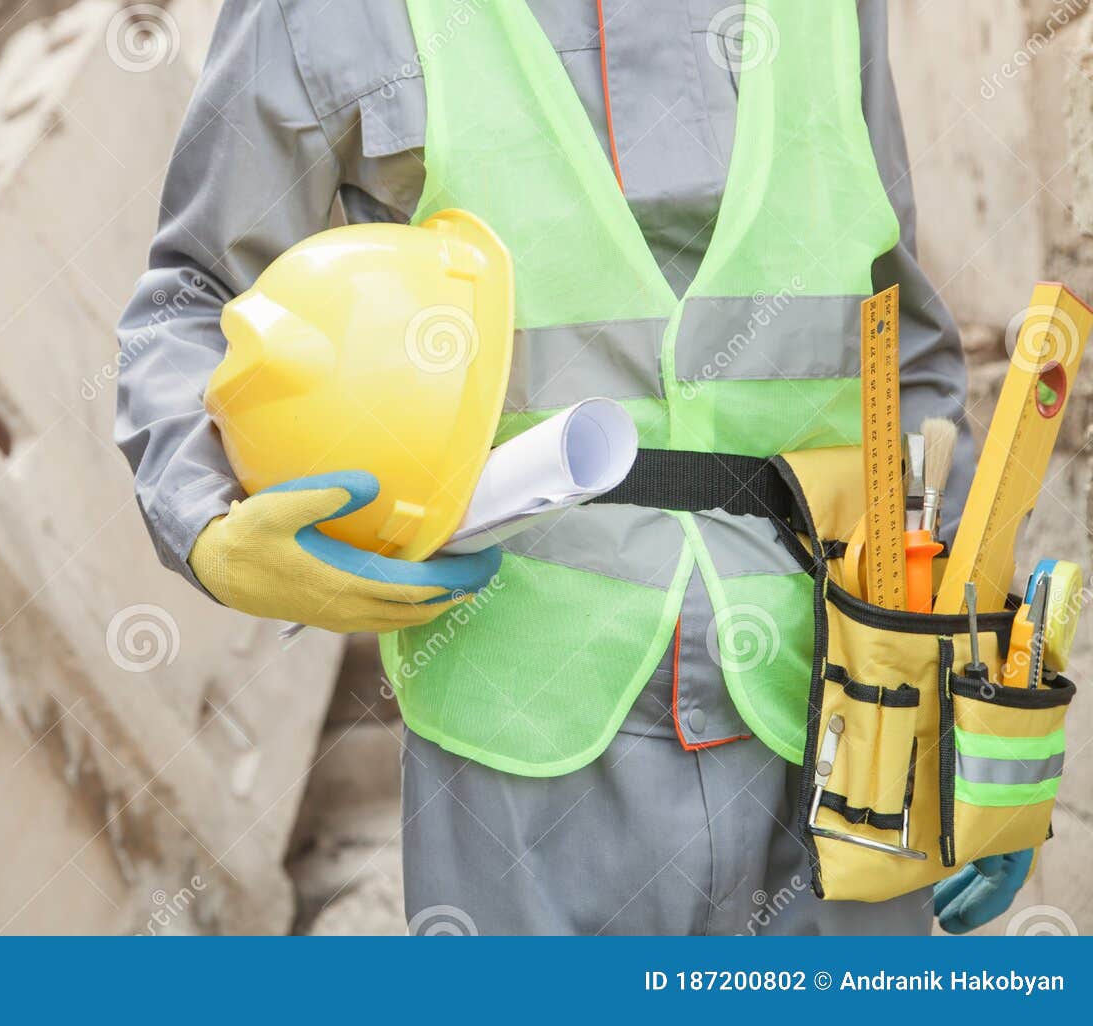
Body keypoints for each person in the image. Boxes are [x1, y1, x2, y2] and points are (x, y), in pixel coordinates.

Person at [116, 0, 1009, 935]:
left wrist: (979, 677)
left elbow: (900, 354)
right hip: (523, 729)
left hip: (846, 718)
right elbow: (197, 296)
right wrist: (208, 521)